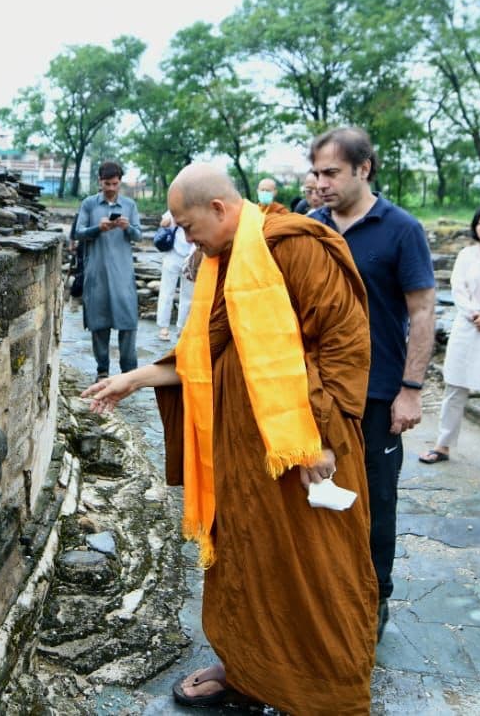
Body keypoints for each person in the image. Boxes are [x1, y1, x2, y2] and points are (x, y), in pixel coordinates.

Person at [82, 164, 377, 714]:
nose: (188, 241)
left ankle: (323, 691)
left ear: (219, 209)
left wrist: (326, 440)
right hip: (239, 450)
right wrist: (133, 378)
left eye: (190, 228)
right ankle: (248, 669)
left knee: (314, 569)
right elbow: (202, 352)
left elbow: (344, 344)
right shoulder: (221, 260)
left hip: (301, 444)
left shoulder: (295, 247)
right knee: (243, 560)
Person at [309, 127, 435, 640]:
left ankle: (373, 597)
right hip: (319, 392)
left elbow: (422, 310)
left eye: (331, 173)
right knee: (316, 495)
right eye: (316, 173)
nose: (321, 183)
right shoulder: (311, 227)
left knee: (377, 503)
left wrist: (411, 387)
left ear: (364, 169)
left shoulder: (400, 229)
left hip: (379, 392)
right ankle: (321, 594)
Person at [418, 201, 480, 476]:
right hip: (469, 326)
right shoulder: (467, 254)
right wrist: (477, 316)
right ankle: (443, 444)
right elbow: (458, 288)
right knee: (455, 387)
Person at [74, 161, 141, 380]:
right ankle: (102, 370)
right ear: (99, 182)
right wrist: (97, 228)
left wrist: (127, 227)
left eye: (114, 183)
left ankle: (129, 371)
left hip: (123, 273)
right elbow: (78, 232)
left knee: (128, 321)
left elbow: (138, 235)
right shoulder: (89, 204)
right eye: (106, 183)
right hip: (97, 272)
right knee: (98, 322)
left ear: (120, 181)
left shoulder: (129, 205)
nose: (111, 188)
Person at [155, 210, 195, 340]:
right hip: (173, 253)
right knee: (167, 291)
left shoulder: (200, 207)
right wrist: (170, 221)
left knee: (188, 294)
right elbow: (163, 222)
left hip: (192, 254)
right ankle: (163, 327)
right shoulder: (177, 205)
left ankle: (182, 327)